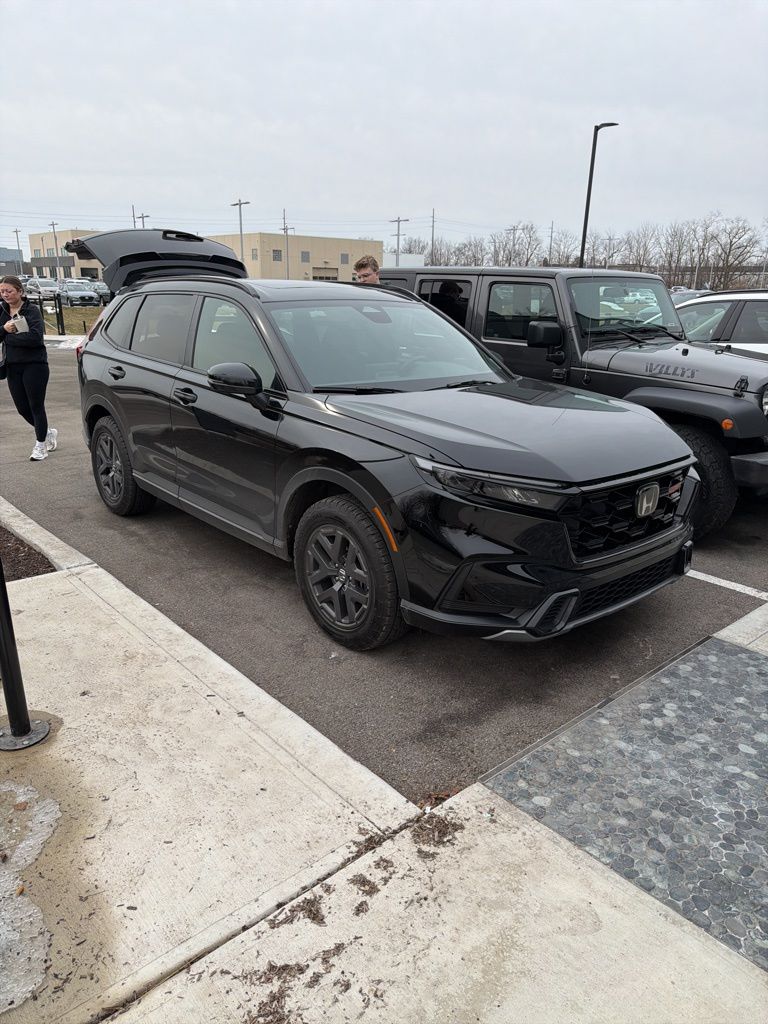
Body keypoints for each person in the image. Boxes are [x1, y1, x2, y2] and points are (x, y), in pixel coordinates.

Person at [0, 275, 57, 461]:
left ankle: (41, 446)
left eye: (9, 291)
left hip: (35, 365)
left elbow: (35, 338)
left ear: (20, 291)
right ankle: (47, 432)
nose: (5, 294)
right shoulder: (2, 311)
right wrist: (4, 330)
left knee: (36, 406)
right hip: (12, 366)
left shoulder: (31, 311)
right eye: (2, 291)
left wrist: (8, 336)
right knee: (22, 408)